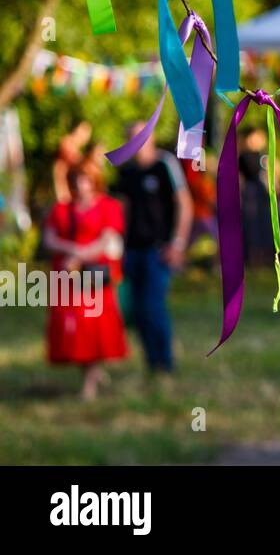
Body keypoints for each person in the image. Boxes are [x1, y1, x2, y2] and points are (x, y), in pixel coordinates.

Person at [43, 158, 128, 400]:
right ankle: (91, 373)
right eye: (77, 180)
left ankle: (90, 381)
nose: (82, 185)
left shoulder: (108, 206)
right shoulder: (61, 209)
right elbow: (49, 239)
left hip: (93, 277)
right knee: (72, 327)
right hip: (65, 278)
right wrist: (72, 250)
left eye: (86, 180)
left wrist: (79, 256)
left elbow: (107, 239)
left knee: (92, 325)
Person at [113, 124, 192, 373]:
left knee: (153, 306)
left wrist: (178, 244)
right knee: (137, 310)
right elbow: (122, 211)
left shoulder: (164, 165)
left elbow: (185, 205)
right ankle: (151, 363)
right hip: (132, 251)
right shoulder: (127, 173)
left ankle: (165, 363)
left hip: (158, 251)